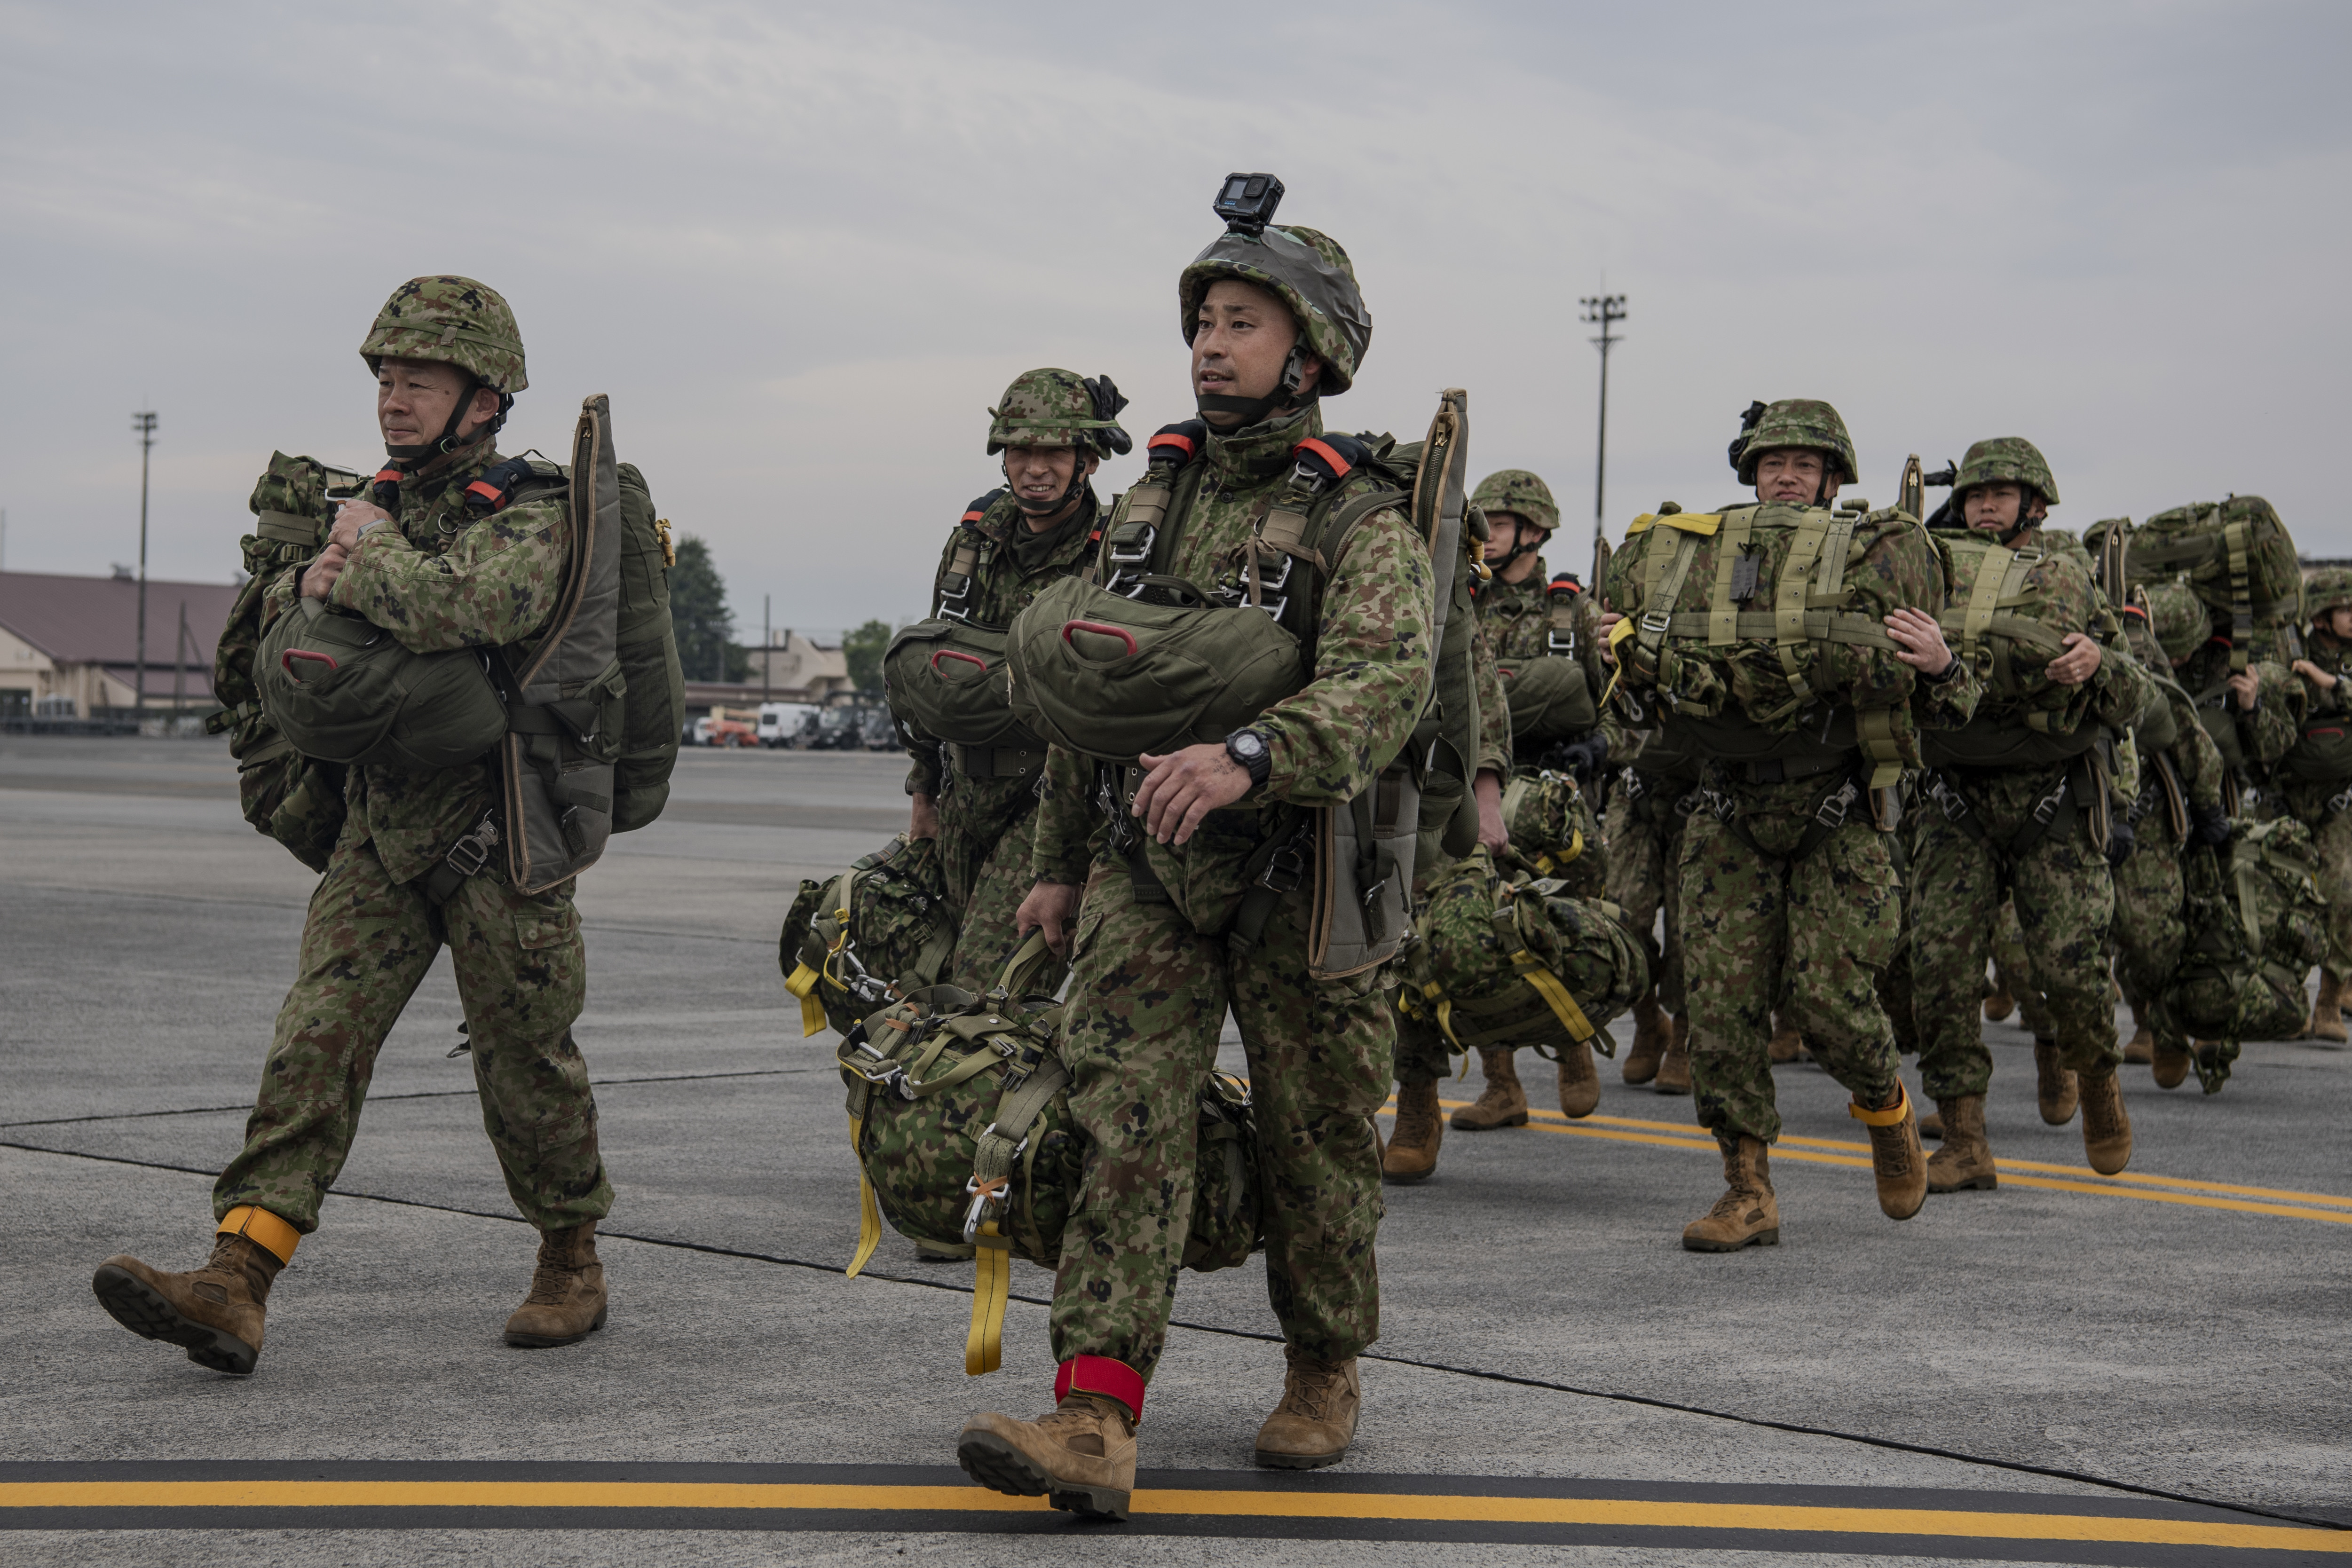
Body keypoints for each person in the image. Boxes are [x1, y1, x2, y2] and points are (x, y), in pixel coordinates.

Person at [956, 193, 1430, 1515]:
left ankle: (1324, 1361)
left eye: (1243, 322)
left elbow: (1389, 679)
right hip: (1146, 869)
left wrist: (1255, 755)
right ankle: (1096, 1413)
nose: (1212, 346)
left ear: (1313, 350)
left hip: (1303, 874)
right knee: (1124, 1116)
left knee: (1315, 1131)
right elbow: (1092, 702)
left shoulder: (1359, 520)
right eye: (1203, 323)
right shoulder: (1149, 501)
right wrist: (1055, 860)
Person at [90, 276, 618, 1374]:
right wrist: (325, 573)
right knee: (313, 1043)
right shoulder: (375, 498)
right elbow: (300, 636)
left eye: (417, 379)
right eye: (384, 378)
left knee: (527, 1066)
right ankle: (239, 1273)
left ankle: (570, 1255)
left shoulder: (533, 505)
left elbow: (477, 605)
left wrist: (362, 554)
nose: (393, 397)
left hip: (501, 836)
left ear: (483, 396)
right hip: (378, 833)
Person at [1602, 399, 1979, 1252]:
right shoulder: (1695, 561)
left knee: (1830, 999)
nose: (1784, 474)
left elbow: (1954, 704)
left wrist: (1944, 665)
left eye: (1804, 465)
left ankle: (1885, 1105)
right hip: (1725, 808)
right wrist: (1616, 651)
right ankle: (1747, 1190)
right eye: (1771, 463)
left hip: (1835, 810)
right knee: (1723, 1007)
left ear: (1833, 479)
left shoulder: (1872, 560)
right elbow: (1641, 705)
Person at [1907, 439, 2156, 1191]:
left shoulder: (2068, 574)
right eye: (1977, 493)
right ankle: (1962, 1136)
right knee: (1940, 969)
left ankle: (2098, 1086)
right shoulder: (1926, 566)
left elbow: (2133, 692)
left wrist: (2096, 663)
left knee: (2071, 969)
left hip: (2050, 794)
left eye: (2002, 494)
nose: (1985, 504)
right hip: (1954, 794)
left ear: (2034, 505)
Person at [899, 369, 1129, 992]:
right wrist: (924, 793)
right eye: (1020, 449)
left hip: (1045, 803)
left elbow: (1109, 700)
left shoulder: (1112, 554)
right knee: (925, 978)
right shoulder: (974, 539)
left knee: (986, 993)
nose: (1034, 466)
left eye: (1053, 451)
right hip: (964, 791)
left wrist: (1066, 854)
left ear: (1087, 460)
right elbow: (934, 667)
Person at [1433, 468, 1615, 1136]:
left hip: (1554, 800)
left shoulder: (1574, 611)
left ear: (1534, 532)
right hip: (1480, 793)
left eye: (1501, 525)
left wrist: (1600, 746)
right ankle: (1501, 1082)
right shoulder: (1465, 604)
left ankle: (1573, 1047)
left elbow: (1618, 704)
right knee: (1481, 935)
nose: (1488, 537)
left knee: (1560, 928)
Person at [2109, 582, 2231, 1084]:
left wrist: (2208, 813)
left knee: (2151, 936)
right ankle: (2116, 1037)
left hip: (2148, 827)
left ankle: (2162, 1028)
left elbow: (2193, 743)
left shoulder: (2141, 660)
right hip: (2079, 817)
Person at [2273, 568, 2352, 1042]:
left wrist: (2331, 683)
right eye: (2346, 609)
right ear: (2321, 617)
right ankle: (2292, 1003)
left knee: (2341, 896)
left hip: (2340, 801)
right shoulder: (2290, 652)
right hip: (2288, 794)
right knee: (2283, 896)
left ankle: (2329, 1000)